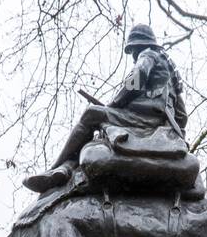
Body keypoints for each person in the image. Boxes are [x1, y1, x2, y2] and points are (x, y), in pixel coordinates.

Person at [24, 24, 189, 194]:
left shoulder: (148, 54)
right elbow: (182, 116)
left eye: (132, 50)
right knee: (98, 135)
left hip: (144, 119)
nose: (133, 56)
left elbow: (138, 76)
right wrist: (176, 135)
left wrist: (114, 105)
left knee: (91, 114)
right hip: (161, 124)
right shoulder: (172, 73)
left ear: (139, 45)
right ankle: (65, 169)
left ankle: (55, 168)